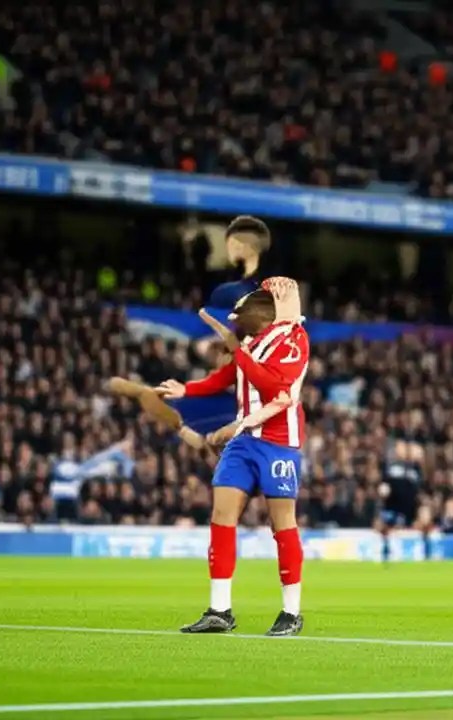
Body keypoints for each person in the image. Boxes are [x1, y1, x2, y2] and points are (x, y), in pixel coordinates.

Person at [156, 278, 311, 636]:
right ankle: (220, 610)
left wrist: (239, 350)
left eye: (239, 314)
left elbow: (275, 388)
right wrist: (187, 389)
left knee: (281, 523)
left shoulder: (294, 340)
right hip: (244, 441)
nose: (234, 319)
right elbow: (227, 375)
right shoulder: (251, 344)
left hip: (279, 442)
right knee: (221, 514)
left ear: (260, 312)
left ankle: (291, 612)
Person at [207, 215, 273, 311]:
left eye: (232, 244)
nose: (228, 250)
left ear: (245, 247)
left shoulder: (225, 292)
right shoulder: (275, 287)